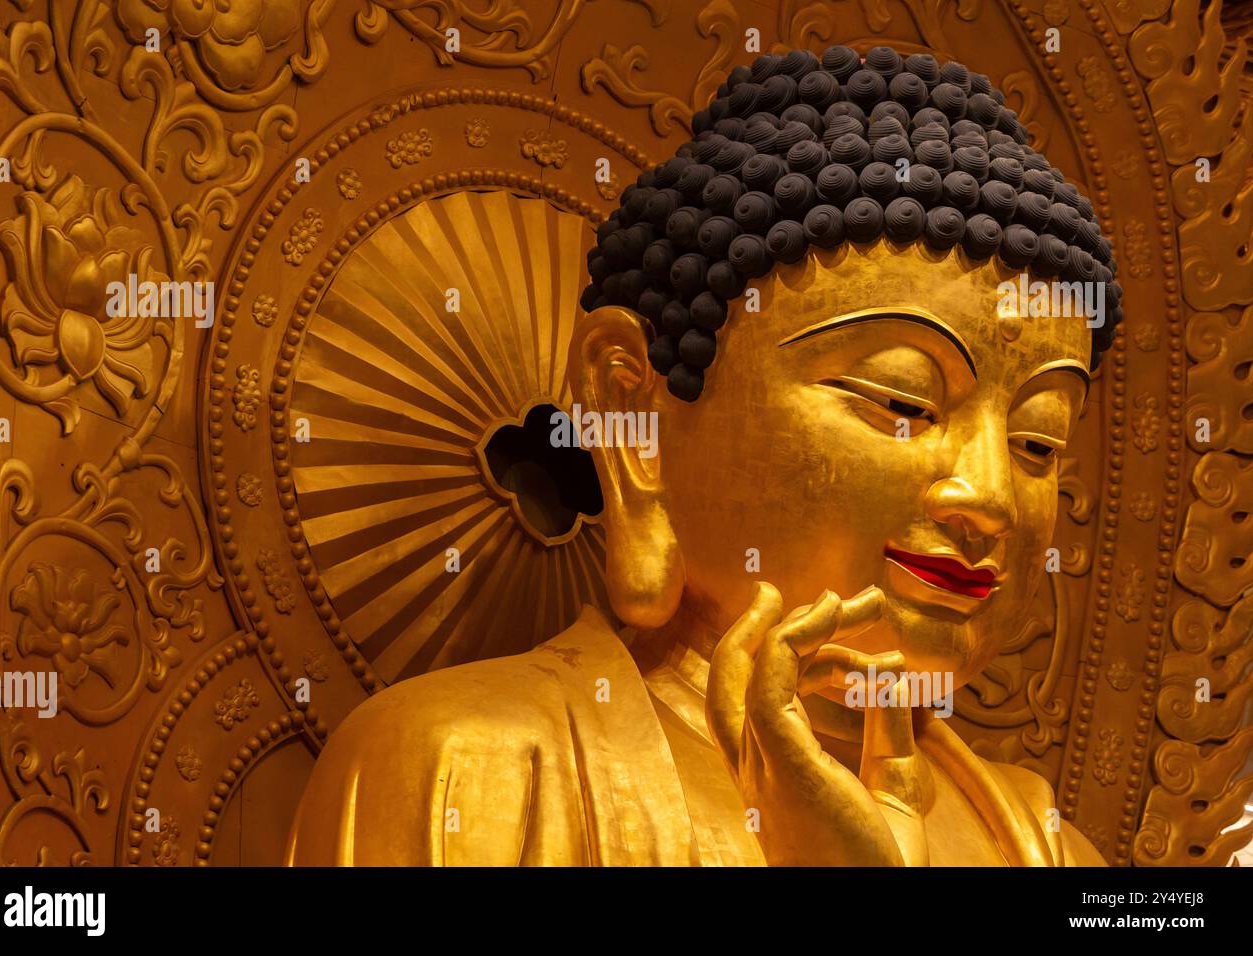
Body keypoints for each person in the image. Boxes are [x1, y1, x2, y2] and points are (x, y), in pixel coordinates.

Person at [286, 46, 1118, 866]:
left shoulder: (1050, 851)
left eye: (1038, 441)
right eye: (902, 400)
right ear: (634, 412)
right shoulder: (464, 771)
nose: (993, 496)